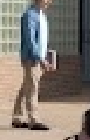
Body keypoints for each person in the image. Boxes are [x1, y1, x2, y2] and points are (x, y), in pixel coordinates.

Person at [12, 0, 54, 131]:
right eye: (47, 0)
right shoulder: (29, 15)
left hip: (39, 57)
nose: (50, 2)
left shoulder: (42, 15)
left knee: (27, 86)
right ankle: (34, 120)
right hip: (31, 58)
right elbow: (30, 39)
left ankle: (17, 117)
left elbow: (42, 38)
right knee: (32, 88)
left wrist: (46, 55)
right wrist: (40, 58)